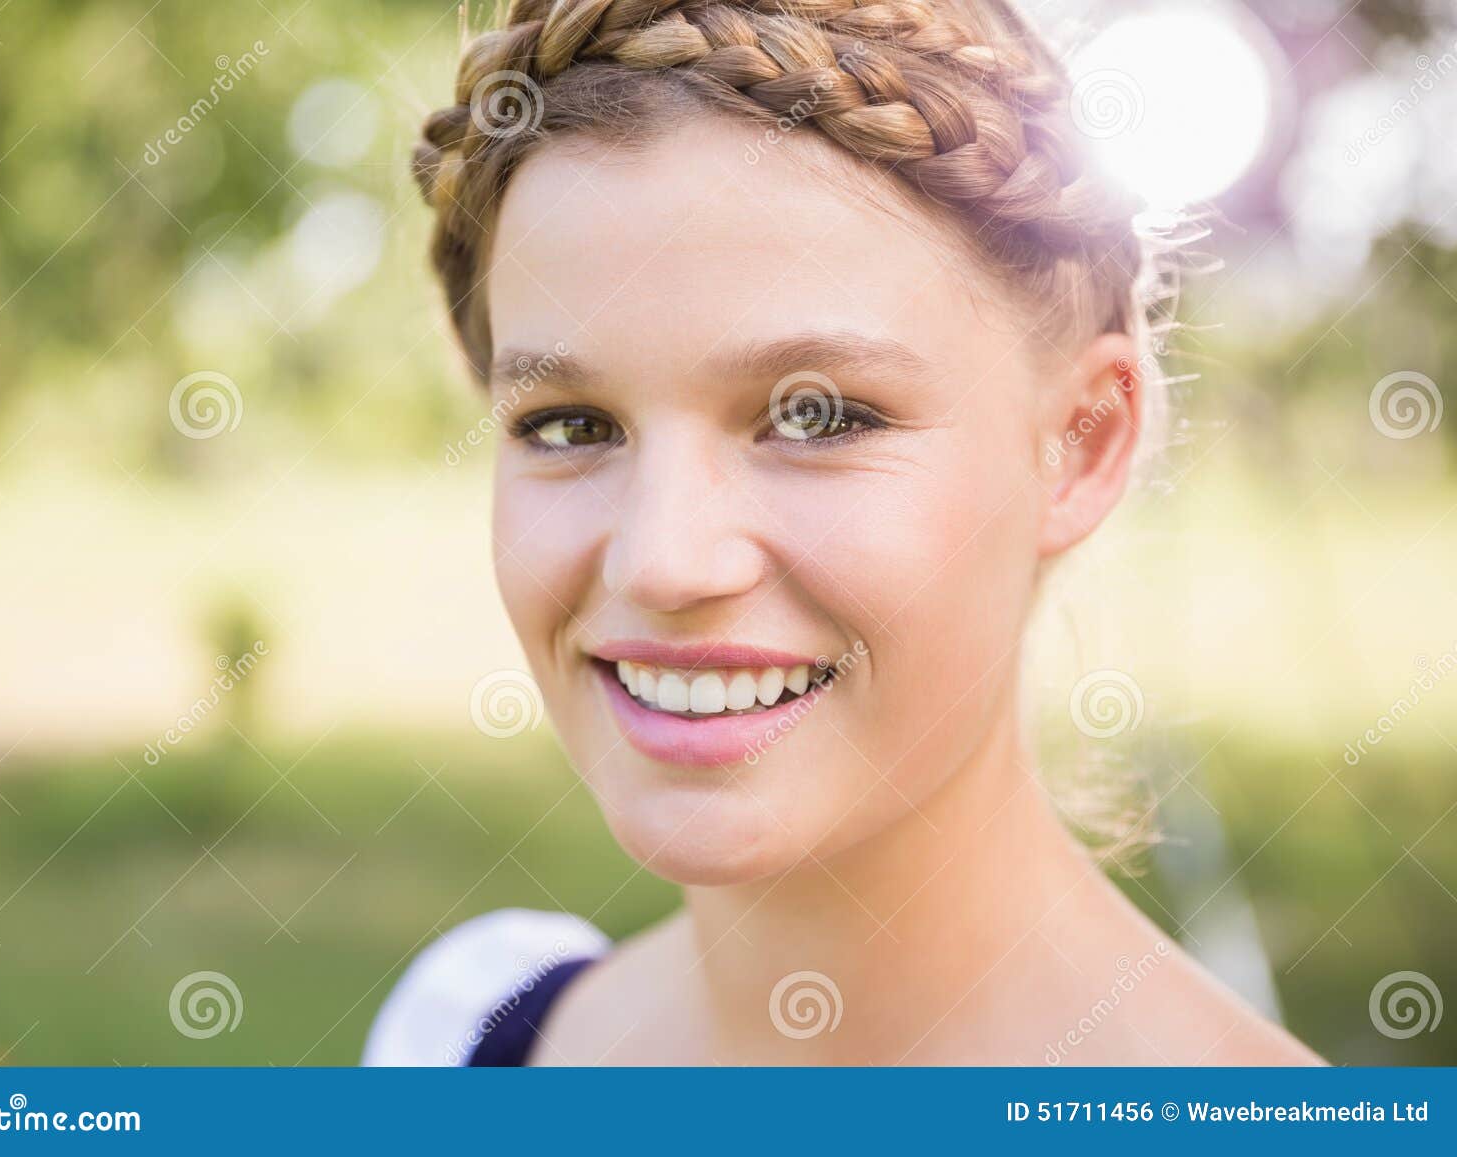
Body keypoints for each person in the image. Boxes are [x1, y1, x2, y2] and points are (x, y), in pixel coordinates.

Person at [363, 0, 1322, 1066]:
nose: (664, 560)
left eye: (816, 416)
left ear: (1082, 442)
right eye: (570, 425)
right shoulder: (461, 1043)